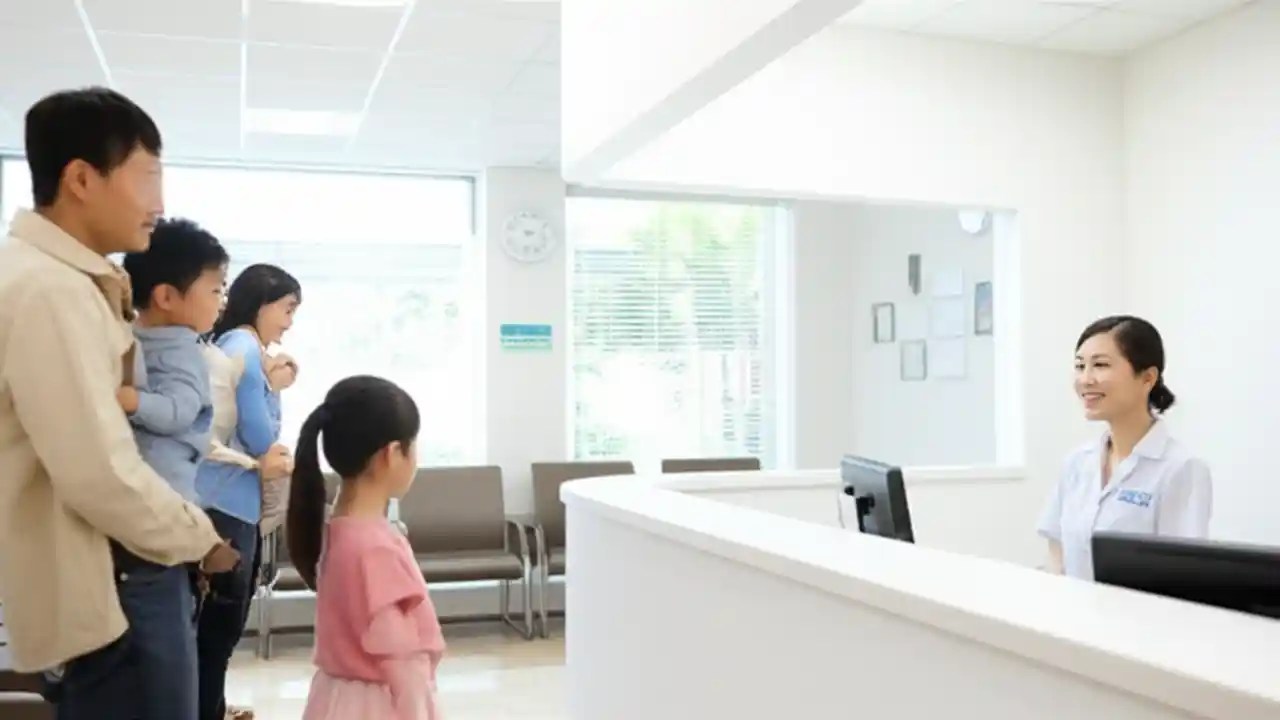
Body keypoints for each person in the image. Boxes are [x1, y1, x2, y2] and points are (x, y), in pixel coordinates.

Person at [0, 87, 238, 719]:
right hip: (119, 580)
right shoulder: (49, 290)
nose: (159, 205)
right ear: (81, 178)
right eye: (148, 178)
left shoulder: (68, 281)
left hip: (117, 572)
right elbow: (97, 470)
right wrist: (198, 536)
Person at [115, 216, 233, 718]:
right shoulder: (132, 336)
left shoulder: (186, 349)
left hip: (170, 483)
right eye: (214, 288)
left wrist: (132, 401)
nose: (221, 299)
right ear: (166, 296)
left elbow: (181, 411)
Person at [287, 376, 445, 719]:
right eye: (412, 445)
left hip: (332, 699)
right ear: (391, 454)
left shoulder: (336, 531)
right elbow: (402, 660)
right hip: (380, 706)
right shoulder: (376, 549)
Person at [194, 263, 300, 720]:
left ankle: (211, 706)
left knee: (213, 629)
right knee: (220, 627)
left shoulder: (230, 344)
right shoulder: (245, 349)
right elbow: (263, 440)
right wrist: (275, 389)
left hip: (221, 499)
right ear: (261, 304)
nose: (290, 322)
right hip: (228, 502)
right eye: (287, 309)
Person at [1037, 315, 1213, 580]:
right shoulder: (1077, 462)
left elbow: (1181, 578)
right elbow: (1056, 555)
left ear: (1147, 378)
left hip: (1140, 620)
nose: (1086, 379)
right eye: (1079, 366)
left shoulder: (1181, 469)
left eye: (1100, 365)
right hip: (1070, 618)